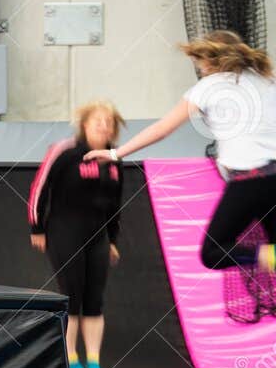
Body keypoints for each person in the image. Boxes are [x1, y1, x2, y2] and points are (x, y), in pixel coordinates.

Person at [85, 31, 276, 276]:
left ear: (210, 60)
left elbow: (163, 128)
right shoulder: (267, 80)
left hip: (250, 181)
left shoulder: (207, 87)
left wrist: (116, 153)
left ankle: (268, 254)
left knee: (213, 252)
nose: (201, 69)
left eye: (199, 64)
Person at [29, 102, 124, 368]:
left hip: (98, 238)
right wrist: (37, 227)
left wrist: (113, 240)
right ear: (84, 124)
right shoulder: (66, 152)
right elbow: (39, 189)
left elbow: (115, 205)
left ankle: (93, 362)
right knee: (72, 296)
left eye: (109, 121)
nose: (103, 125)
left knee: (95, 299)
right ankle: (70, 358)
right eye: (98, 120)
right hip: (64, 233)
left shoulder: (114, 160)